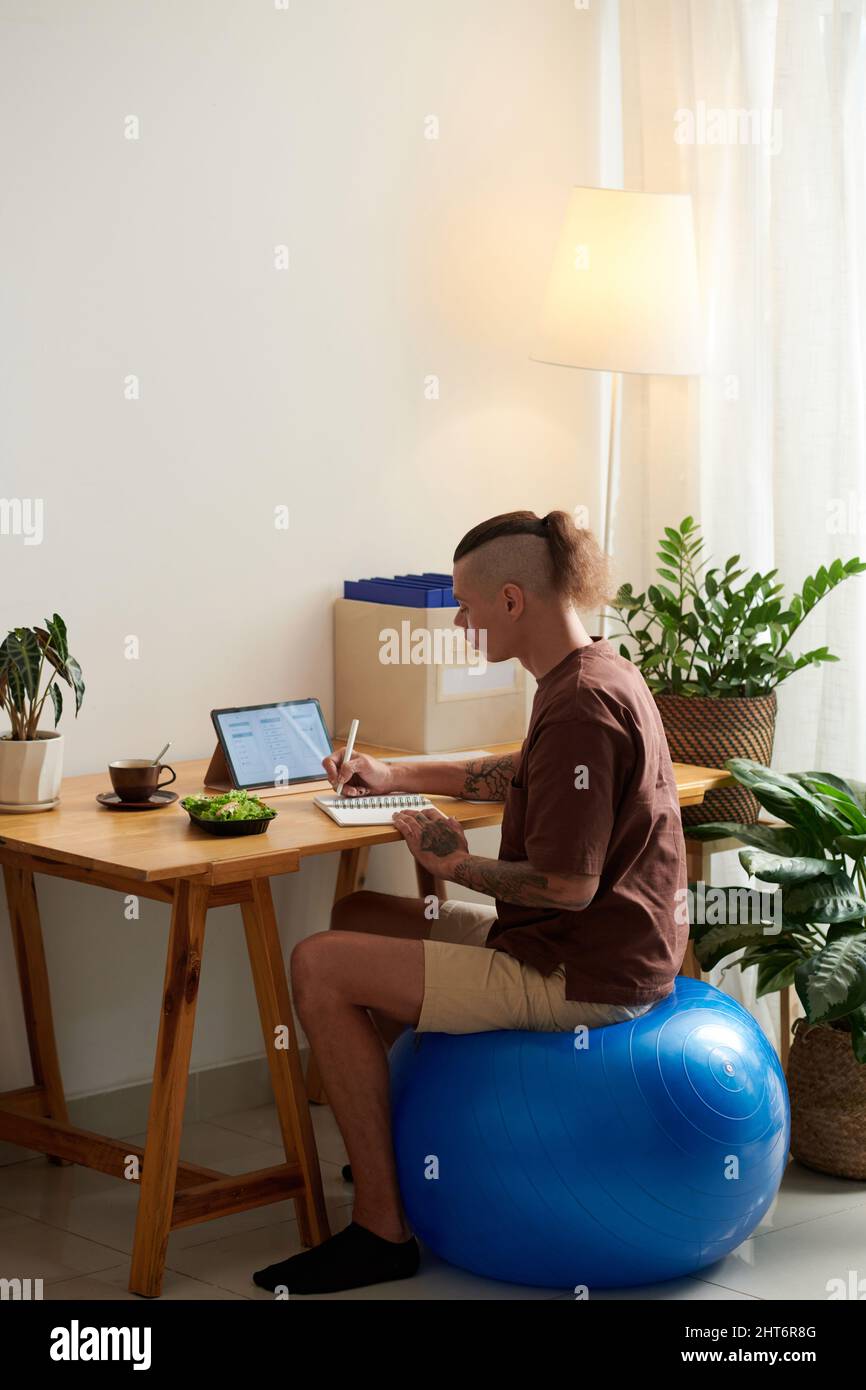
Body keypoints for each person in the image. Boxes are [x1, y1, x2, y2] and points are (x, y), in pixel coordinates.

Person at [252, 509, 688, 1296]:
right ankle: (395, 1143)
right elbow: (517, 769)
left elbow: (567, 888)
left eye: (465, 603)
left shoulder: (581, 705)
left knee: (318, 966)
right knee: (357, 920)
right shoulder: (594, 674)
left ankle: (380, 1229)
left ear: (513, 601)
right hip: (596, 949)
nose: (458, 620)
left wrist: (452, 862)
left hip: (577, 977)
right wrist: (395, 775)